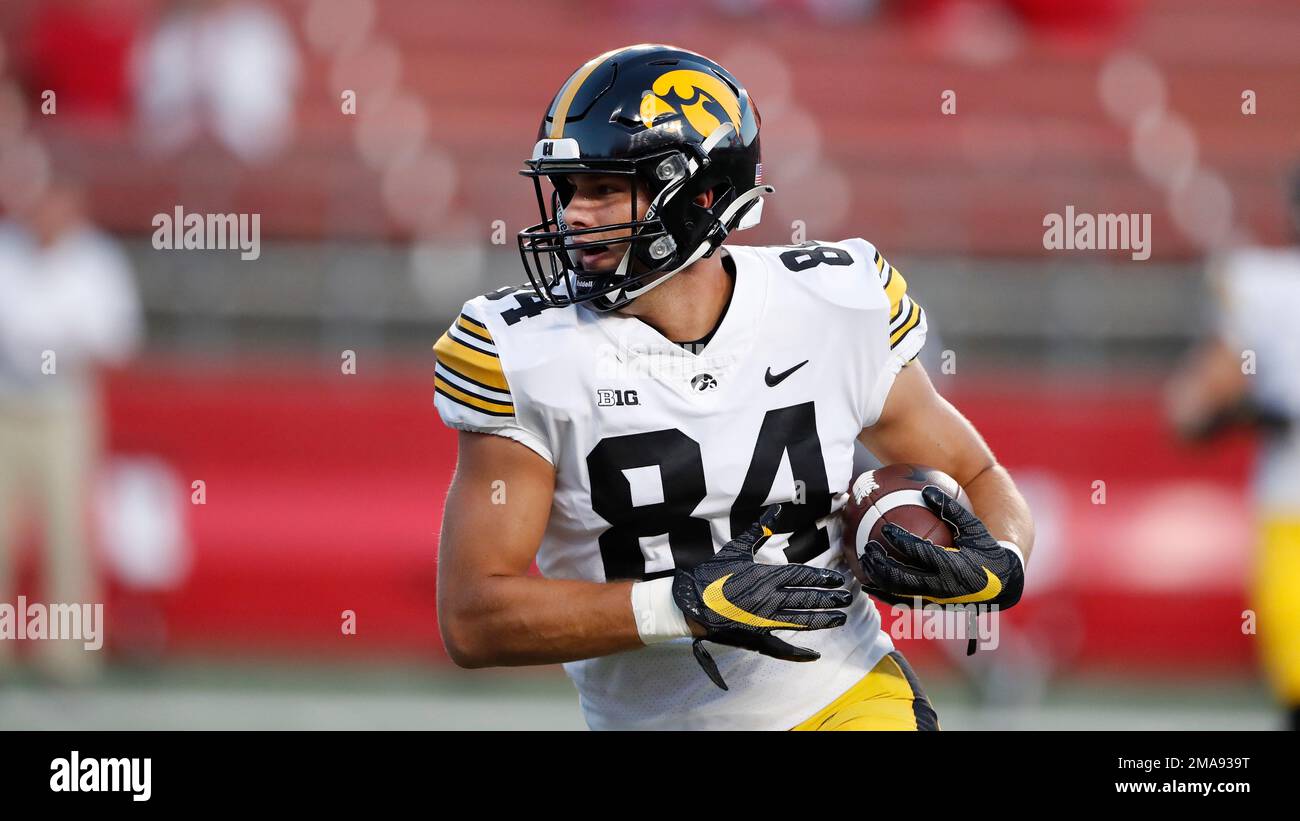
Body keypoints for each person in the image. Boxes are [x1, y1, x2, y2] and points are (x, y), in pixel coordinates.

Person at [433, 44, 1033, 730]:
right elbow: (473, 617)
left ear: (699, 195)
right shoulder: (523, 348)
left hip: (841, 699)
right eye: (567, 189)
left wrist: (1004, 558)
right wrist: (685, 604)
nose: (572, 213)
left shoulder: (833, 303)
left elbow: (978, 472)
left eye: (602, 187)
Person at [1166, 166, 1300, 731]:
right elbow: (1191, 411)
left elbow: (1188, 410)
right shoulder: (1268, 288)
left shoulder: (1266, 288)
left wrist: (1242, 413)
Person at [0, 175, 143, 683]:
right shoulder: (6, 253)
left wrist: (59, 341)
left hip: (62, 410)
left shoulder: (96, 262)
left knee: (67, 534)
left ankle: (67, 657)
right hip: (4, 408)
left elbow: (118, 337)